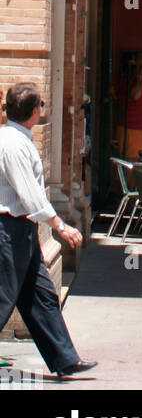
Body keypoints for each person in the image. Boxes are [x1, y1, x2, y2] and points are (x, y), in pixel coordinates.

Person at [0, 83, 96, 379]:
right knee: (3, 296)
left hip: (23, 229)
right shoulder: (12, 144)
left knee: (41, 295)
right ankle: (63, 357)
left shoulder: (18, 139)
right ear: (34, 112)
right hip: (9, 228)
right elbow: (29, 195)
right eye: (41, 105)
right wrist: (60, 226)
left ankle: (64, 358)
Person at [115, 51, 142, 159]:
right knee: (132, 160)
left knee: (138, 160)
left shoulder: (141, 82)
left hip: (138, 129)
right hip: (132, 129)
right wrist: (139, 78)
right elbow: (135, 95)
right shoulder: (133, 80)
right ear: (138, 68)